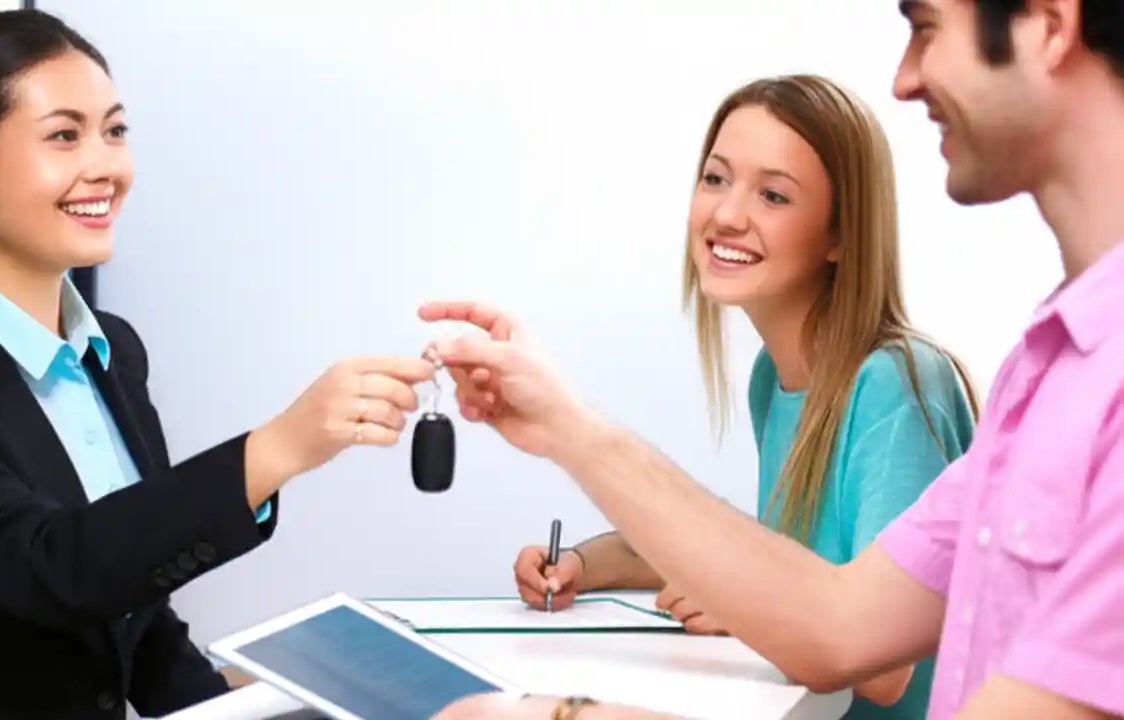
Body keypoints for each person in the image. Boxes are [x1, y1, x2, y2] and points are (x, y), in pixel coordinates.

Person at [427, 0, 1124, 718]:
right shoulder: (1043, 372)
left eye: (925, 27)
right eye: (715, 179)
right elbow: (841, 622)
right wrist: (565, 430)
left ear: (1048, 24)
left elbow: (874, 665)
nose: (904, 79)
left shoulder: (912, 380)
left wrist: (564, 715)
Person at [0, 10, 430, 720]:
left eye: (114, 131)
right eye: (64, 136)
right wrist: (278, 448)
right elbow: (46, 568)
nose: (106, 167)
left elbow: (134, 619)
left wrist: (293, 703)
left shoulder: (111, 352)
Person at [506, 74, 977, 719]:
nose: (727, 214)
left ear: (842, 234)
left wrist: (748, 613)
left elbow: (883, 667)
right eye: (716, 178)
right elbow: (774, 560)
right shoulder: (772, 379)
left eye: (774, 195)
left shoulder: (897, 384)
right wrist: (586, 565)